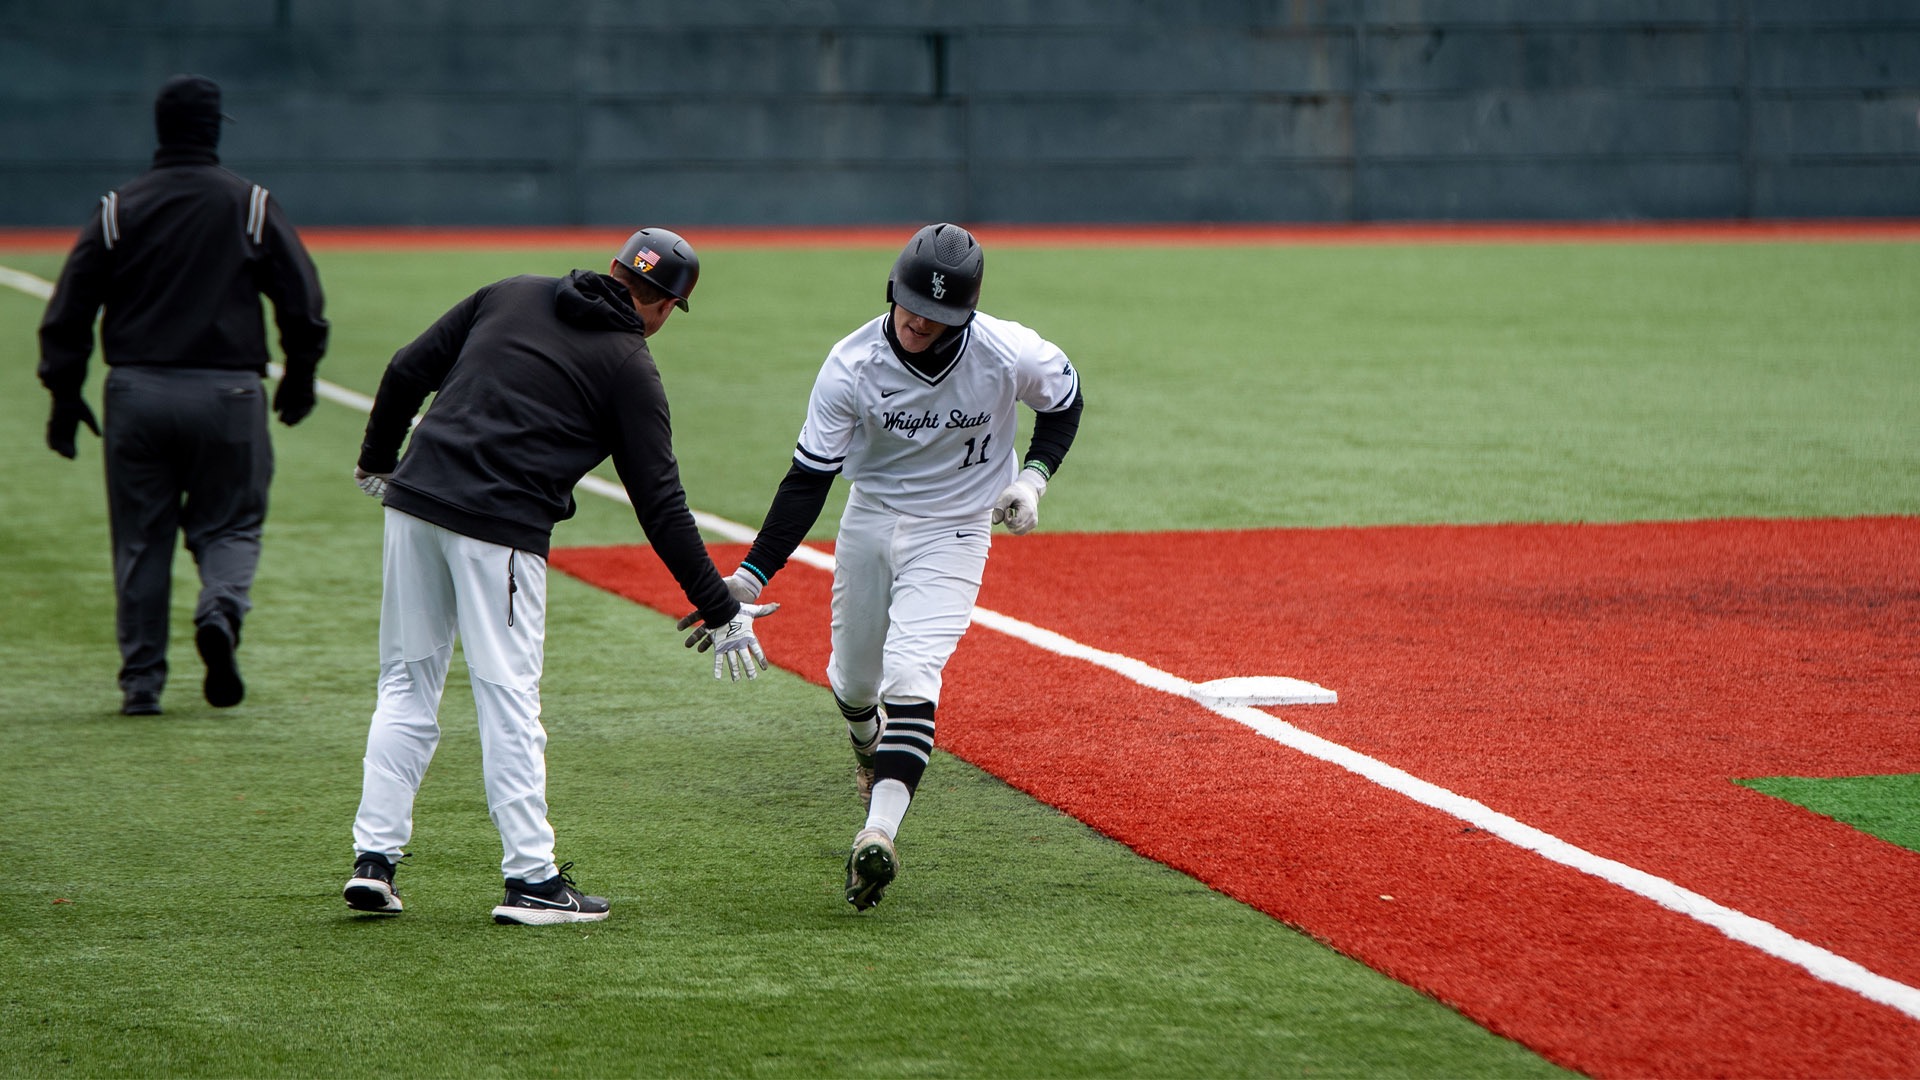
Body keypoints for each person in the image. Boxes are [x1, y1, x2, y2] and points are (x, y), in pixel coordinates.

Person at [342, 227, 775, 926]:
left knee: (405, 683)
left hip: (413, 506)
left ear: (612, 268)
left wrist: (376, 460)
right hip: (499, 534)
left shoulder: (511, 292)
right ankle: (533, 882)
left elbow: (404, 369)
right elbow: (661, 506)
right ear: (666, 307)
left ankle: (374, 862)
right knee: (507, 698)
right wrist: (719, 607)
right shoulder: (630, 366)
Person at [686, 222, 1084, 911]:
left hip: (957, 527)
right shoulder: (851, 365)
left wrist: (1034, 479)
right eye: (908, 307)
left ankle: (879, 832)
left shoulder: (1008, 350)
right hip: (869, 520)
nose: (917, 323)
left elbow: (1065, 403)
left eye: (936, 317)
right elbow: (807, 479)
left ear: (963, 316)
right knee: (853, 681)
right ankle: (866, 743)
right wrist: (749, 577)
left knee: (911, 674)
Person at [37, 73, 329, 717]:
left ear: (161, 131)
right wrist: (302, 373)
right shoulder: (249, 204)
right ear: (215, 130)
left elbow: (69, 310)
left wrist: (63, 392)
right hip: (228, 394)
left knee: (141, 540)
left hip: (135, 393)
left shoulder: (118, 207)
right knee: (231, 523)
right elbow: (301, 299)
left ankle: (142, 684)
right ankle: (220, 610)